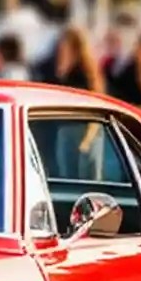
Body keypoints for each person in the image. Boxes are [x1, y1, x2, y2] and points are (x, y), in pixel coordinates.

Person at [46, 26, 105, 178]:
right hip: (66, 128)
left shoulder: (85, 70)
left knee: (88, 177)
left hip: (85, 128)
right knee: (68, 175)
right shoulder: (58, 69)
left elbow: (96, 102)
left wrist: (88, 139)